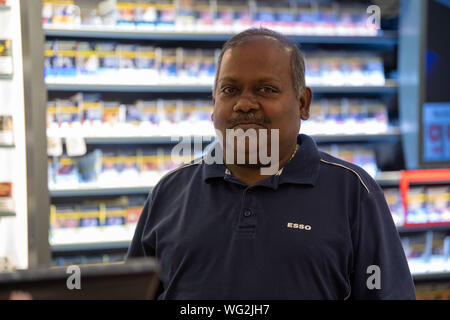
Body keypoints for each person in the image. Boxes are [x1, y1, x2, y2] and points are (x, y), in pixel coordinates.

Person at [127, 28, 416, 300]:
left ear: (303, 103)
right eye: (229, 90)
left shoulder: (354, 192)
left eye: (265, 89)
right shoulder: (169, 192)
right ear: (213, 104)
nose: (244, 104)